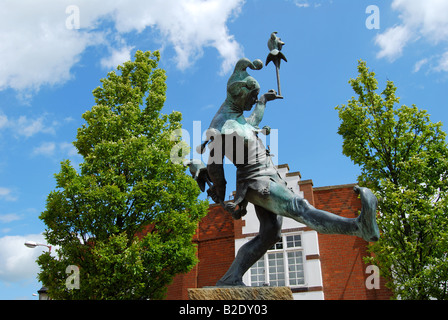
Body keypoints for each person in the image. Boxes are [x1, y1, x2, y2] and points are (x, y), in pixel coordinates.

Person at [202, 58, 380, 286]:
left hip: (267, 174)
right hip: (256, 182)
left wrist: (264, 101)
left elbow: (253, 120)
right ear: (238, 95)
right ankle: (358, 227)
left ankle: (231, 278)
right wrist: (223, 196)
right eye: (251, 98)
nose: (252, 102)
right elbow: (214, 167)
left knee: (270, 234)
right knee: (299, 207)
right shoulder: (219, 127)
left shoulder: (238, 118)